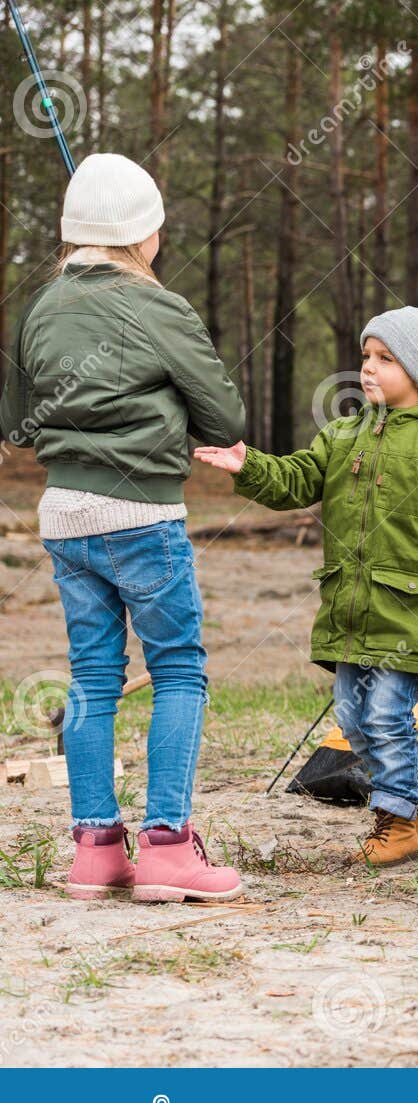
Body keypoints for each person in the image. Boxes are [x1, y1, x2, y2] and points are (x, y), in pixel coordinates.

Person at [0, 154, 247, 902]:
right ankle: (169, 848)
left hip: (66, 515)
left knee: (93, 678)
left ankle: (96, 850)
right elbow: (227, 419)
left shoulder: (40, 308)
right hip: (142, 513)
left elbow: (15, 423)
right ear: (143, 233)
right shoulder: (162, 307)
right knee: (177, 667)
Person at [194, 307, 418, 867]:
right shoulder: (342, 435)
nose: (368, 368)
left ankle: (401, 816)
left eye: (385, 359)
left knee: (386, 713)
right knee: (351, 716)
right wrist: (249, 466)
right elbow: (296, 481)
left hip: (411, 611)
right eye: (366, 356)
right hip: (351, 608)